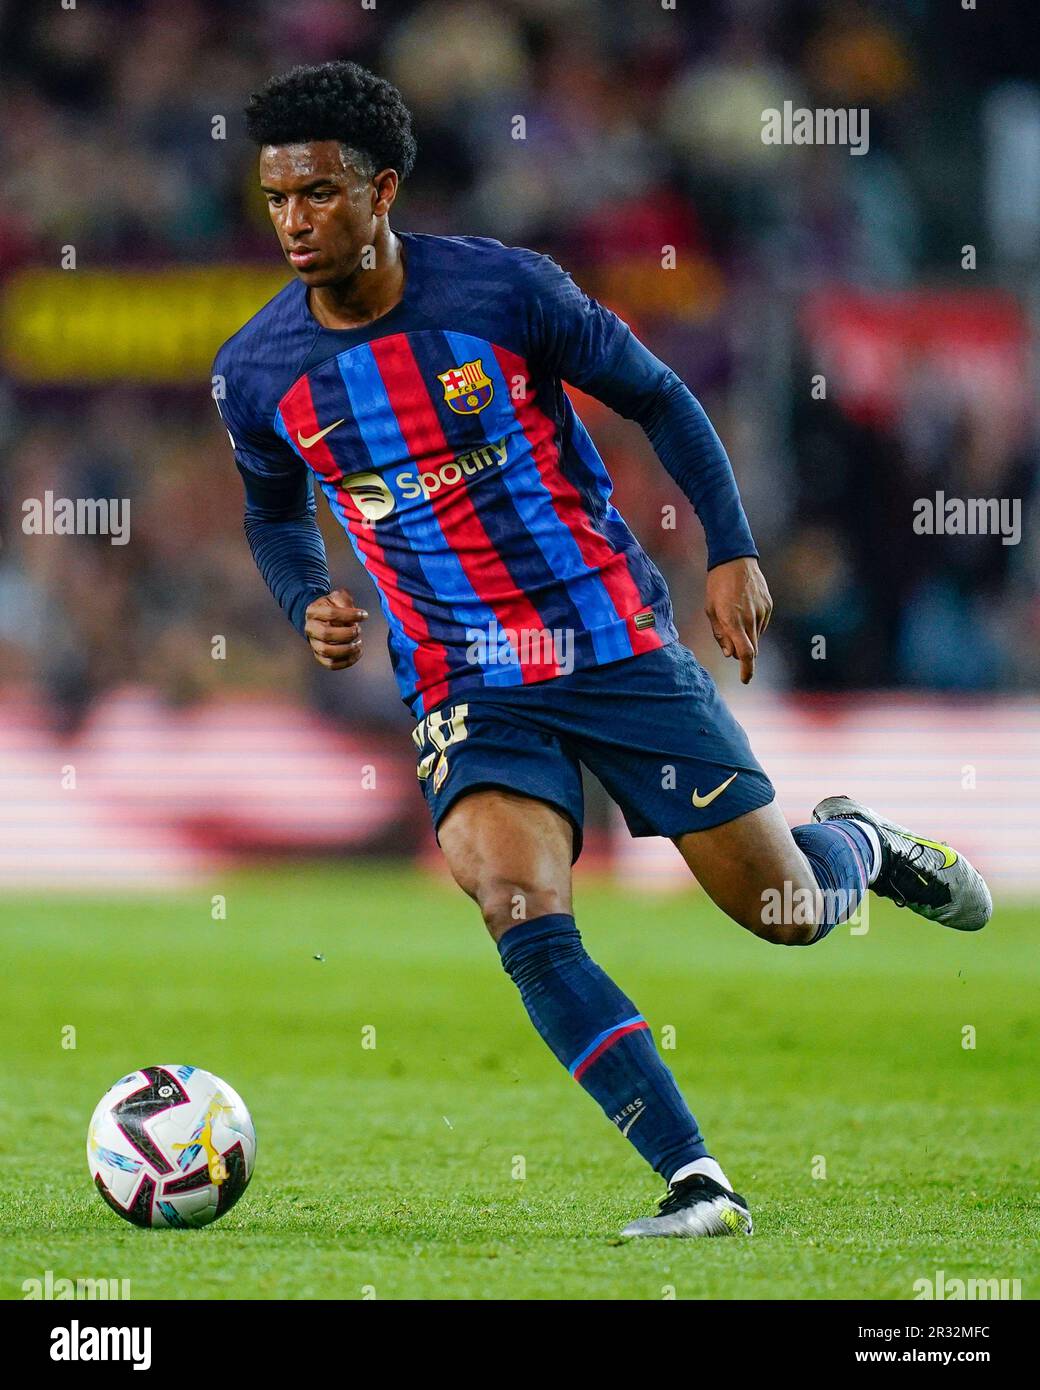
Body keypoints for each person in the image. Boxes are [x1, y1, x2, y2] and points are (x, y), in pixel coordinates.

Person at [213, 62, 991, 1238]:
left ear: (380, 191)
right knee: (514, 900)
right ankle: (694, 1178)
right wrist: (304, 593)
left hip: (607, 642)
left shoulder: (504, 292)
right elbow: (272, 506)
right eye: (276, 200)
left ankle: (859, 848)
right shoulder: (256, 369)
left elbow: (661, 397)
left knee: (779, 907)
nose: (294, 222)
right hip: (464, 674)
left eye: (318, 195)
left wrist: (728, 551)